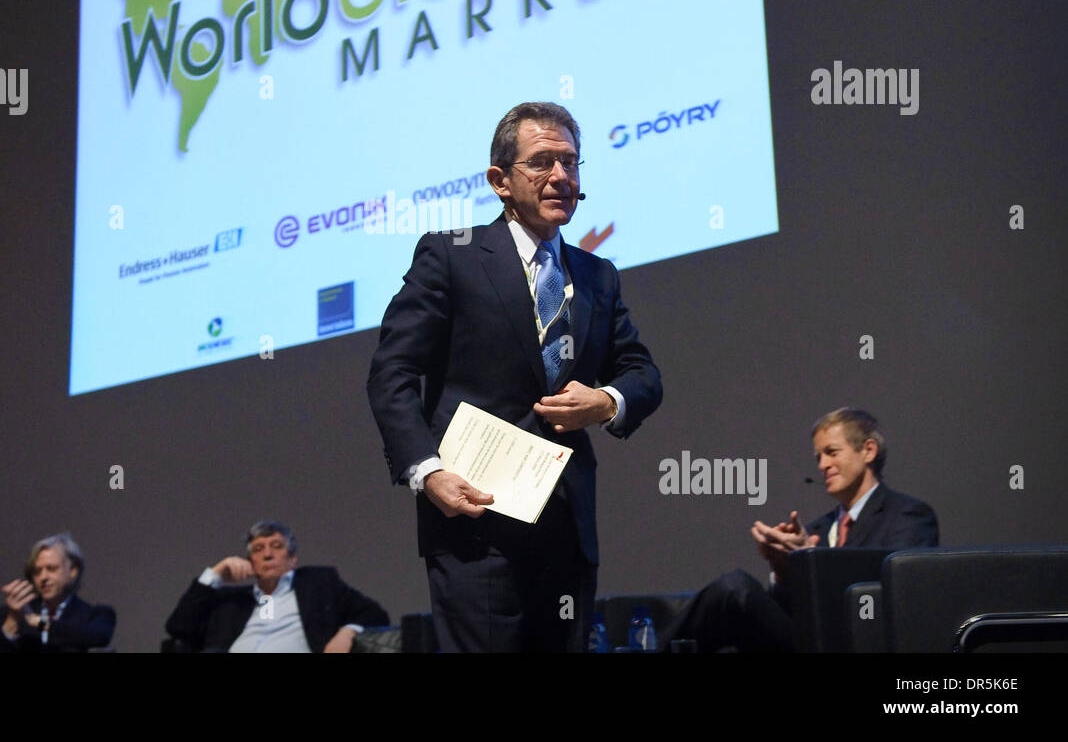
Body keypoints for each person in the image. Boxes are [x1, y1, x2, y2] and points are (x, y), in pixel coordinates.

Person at [367, 101, 663, 652]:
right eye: (543, 161)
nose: (561, 177)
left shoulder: (598, 276)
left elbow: (642, 373)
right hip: (474, 520)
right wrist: (427, 472)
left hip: (567, 528)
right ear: (500, 181)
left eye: (571, 163)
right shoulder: (451, 257)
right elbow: (392, 373)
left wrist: (607, 401)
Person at [662, 407, 939, 652]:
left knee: (736, 588)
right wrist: (783, 572)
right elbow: (791, 612)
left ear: (868, 450)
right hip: (807, 641)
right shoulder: (819, 527)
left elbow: (897, 596)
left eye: (831, 453)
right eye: (818, 457)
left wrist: (815, 562)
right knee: (732, 602)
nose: (822, 465)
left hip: (855, 642)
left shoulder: (907, 515)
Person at [165, 520, 389, 652]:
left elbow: (375, 614)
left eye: (276, 546)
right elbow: (178, 628)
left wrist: (347, 633)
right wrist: (215, 573)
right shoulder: (231, 601)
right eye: (258, 549)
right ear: (250, 561)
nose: (268, 554)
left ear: (292, 559)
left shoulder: (318, 584)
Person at [0, 532, 115, 652]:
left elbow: (98, 636)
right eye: (37, 571)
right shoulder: (12, 614)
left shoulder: (95, 615)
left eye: (51, 569)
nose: (43, 577)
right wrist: (13, 620)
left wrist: (40, 623)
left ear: (73, 570)